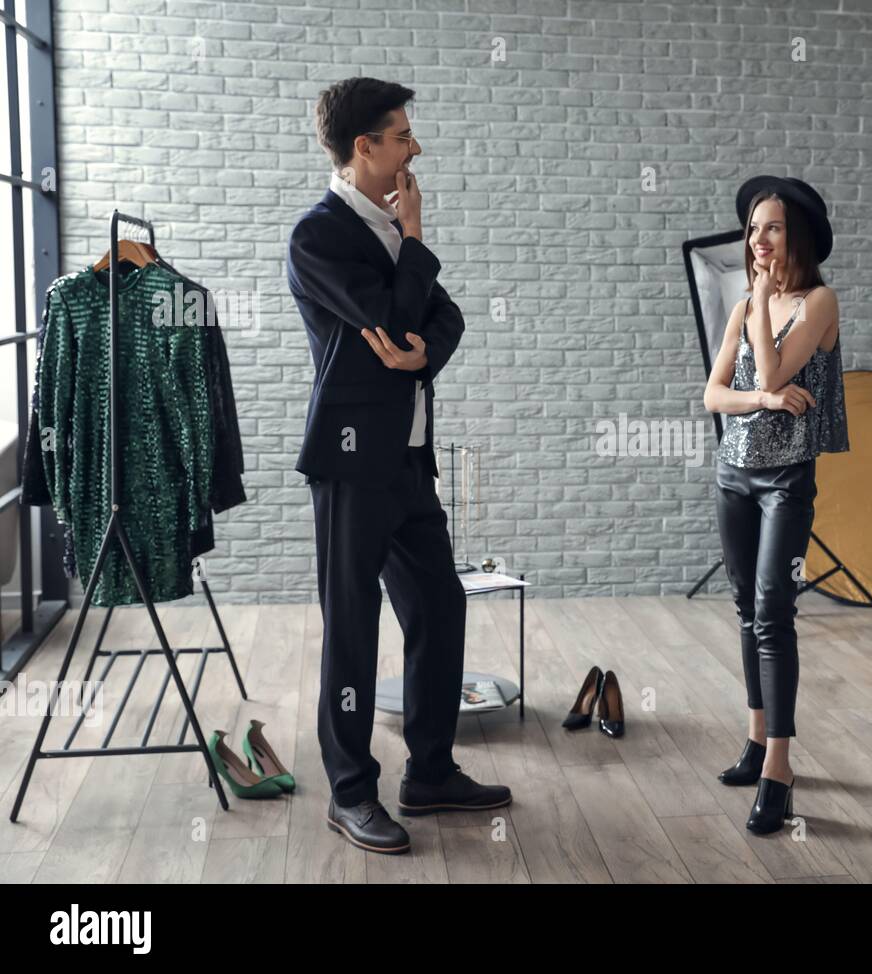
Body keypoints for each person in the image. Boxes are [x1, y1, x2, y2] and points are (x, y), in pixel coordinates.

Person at [287, 77, 510, 856]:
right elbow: (387, 314)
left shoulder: (383, 231)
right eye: (404, 136)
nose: (415, 149)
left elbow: (438, 318)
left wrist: (416, 351)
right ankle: (350, 793)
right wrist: (411, 248)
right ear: (365, 147)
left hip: (410, 463)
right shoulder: (318, 236)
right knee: (353, 629)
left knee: (440, 608)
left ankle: (432, 771)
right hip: (350, 467)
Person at [702, 175, 849, 835]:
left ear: (800, 237)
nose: (758, 240)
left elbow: (770, 371)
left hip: (787, 479)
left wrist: (760, 303)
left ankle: (780, 769)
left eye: (773, 228)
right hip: (733, 475)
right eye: (753, 228)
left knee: (773, 613)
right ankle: (757, 739)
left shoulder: (818, 301)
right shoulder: (743, 306)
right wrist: (761, 401)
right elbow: (716, 395)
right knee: (744, 608)